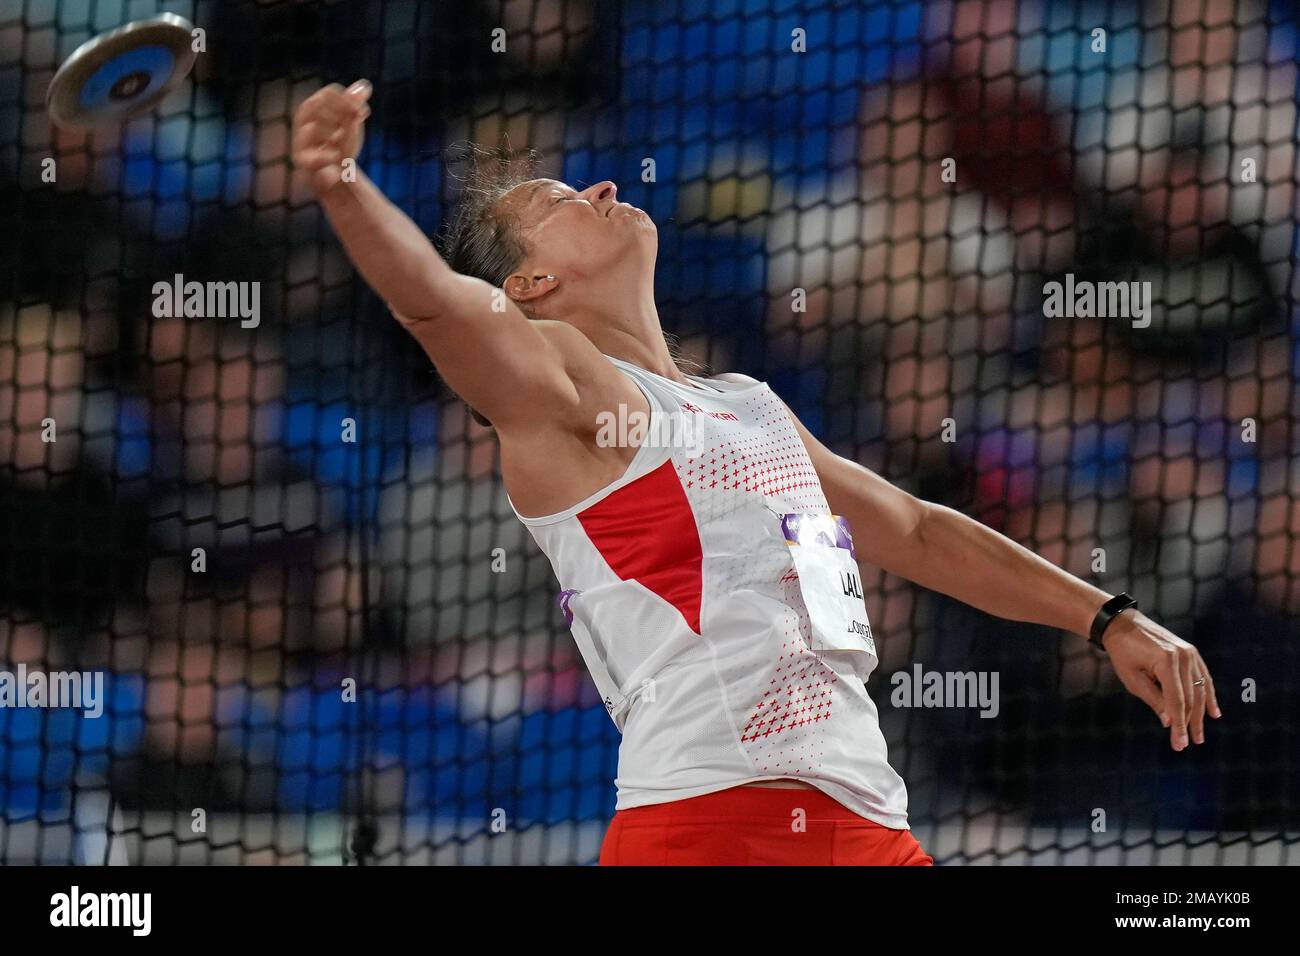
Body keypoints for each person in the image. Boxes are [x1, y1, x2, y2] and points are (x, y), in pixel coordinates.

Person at [290, 79, 1221, 866]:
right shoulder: (563, 382)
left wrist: (1107, 617)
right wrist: (342, 185)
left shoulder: (746, 403)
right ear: (527, 287)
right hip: (711, 819)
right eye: (562, 198)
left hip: (864, 813)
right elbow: (435, 307)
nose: (601, 185)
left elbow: (916, 530)